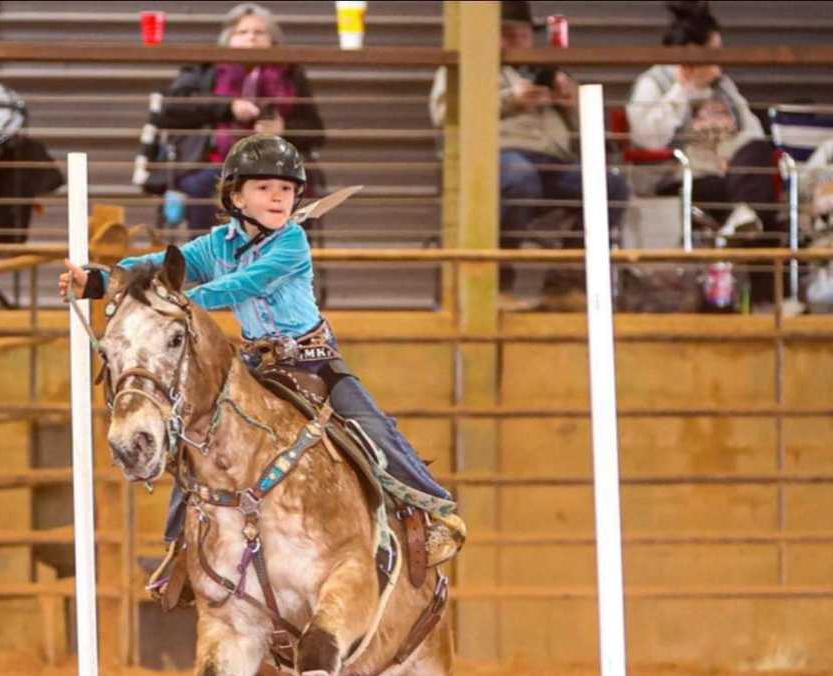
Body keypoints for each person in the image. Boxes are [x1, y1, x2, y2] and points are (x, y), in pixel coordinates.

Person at [61, 135, 466, 586]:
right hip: (255, 364)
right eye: (264, 188)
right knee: (196, 436)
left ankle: (435, 513)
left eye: (286, 189)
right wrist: (97, 282)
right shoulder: (217, 244)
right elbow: (153, 264)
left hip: (312, 362)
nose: (278, 197)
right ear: (236, 196)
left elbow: (243, 285)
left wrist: (180, 302)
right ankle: (182, 546)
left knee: (370, 425)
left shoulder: (291, 244)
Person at [430, 0, 629, 309]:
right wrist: (511, 100)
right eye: (507, 34)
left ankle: (566, 280)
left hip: (553, 161)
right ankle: (497, 283)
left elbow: (589, 130)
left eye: (522, 34)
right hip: (498, 159)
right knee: (520, 178)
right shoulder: (468, 64)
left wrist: (571, 101)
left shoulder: (546, 69)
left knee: (610, 185)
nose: (517, 41)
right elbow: (446, 113)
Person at [627, 1, 779, 301]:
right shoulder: (655, 81)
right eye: (714, 53)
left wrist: (734, 155)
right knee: (759, 206)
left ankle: (743, 223)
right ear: (693, 54)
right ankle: (765, 300)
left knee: (760, 158)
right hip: (685, 174)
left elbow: (751, 132)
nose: (720, 63)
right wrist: (681, 90)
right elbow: (647, 138)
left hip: (731, 172)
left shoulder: (724, 86)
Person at [149, 2, 324, 230]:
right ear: (228, 38)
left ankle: (281, 260)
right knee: (203, 186)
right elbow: (171, 110)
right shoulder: (206, 69)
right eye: (243, 32)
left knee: (291, 188)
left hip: (276, 166)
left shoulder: (290, 74)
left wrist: (284, 129)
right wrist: (228, 107)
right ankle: (209, 259)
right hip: (215, 164)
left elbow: (316, 131)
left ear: (273, 40)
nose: (251, 38)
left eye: (259, 32)